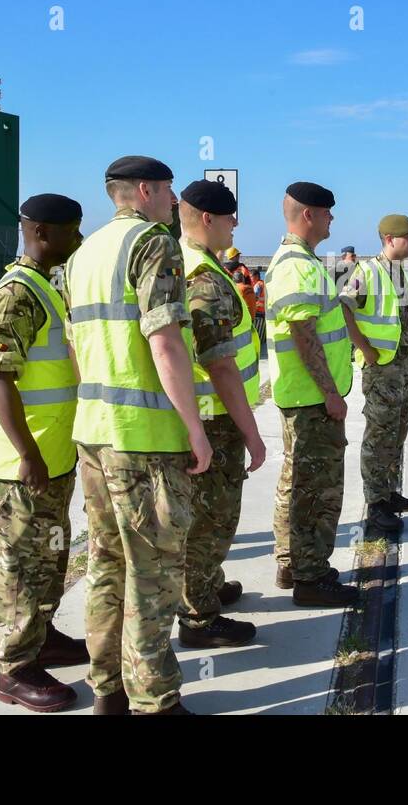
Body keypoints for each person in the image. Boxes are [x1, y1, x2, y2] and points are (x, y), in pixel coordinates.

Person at [66, 155, 211, 716]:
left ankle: (108, 692)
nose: (175, 202)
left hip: (95, 433)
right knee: (152, 572)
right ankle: (155, 701)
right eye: (170, 191)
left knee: (106, 564)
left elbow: (80, 346)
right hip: (144, 437)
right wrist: (195, 430)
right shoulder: (153, 243)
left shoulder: (85, 253)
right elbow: (166, 341)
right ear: (145, 191)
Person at [0, 193, 89, 713]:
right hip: (26, 460)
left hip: (55, 451)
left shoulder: (47, 286)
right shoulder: (16, 292)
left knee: (50, 555)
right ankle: (13, 667)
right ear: (44, 232)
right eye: (73, 230)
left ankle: (42, 637)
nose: (79, 239)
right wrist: (26, 453)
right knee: (20, 563)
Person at [175, 180, 267, 649]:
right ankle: (198, 618)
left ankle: (205, 587)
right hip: (215, 416)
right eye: (231, 216)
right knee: (211, 522)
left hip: (210, 414)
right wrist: (252, 434)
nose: (236, 224)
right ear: (208, 218)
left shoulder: (191, 263)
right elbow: (220, 364)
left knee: (206, 519)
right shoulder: (204, 278)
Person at [266, 181, 358, 607]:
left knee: (298, 486)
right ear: (309, 215)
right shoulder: (297, 266)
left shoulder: (298, 260)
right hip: (313, 401)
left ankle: (293, 564)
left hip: (306, 398)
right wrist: (331, 394)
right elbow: (304, 336)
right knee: (317, 493)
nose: (331, 220)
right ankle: (311, 577)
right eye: (327, 213)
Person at [340, 214, 408, 535]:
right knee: (378, 435)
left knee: (397, 432)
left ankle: (388, 493)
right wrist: (366, 348)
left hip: (401, 365)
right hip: (380, 368)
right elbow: (344, 308)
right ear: (390, 239)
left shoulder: (398, 272)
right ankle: (375, 504)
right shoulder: (366, 272)